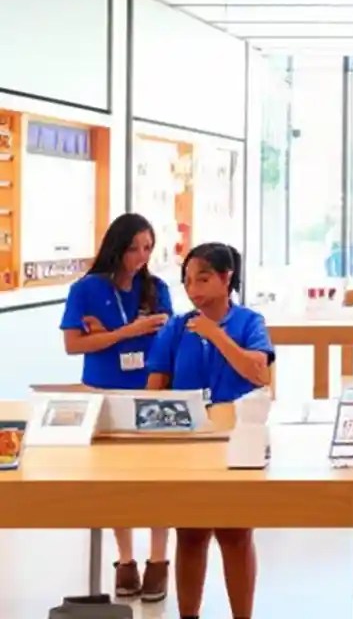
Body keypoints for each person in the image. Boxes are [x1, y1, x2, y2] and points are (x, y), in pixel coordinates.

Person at [146, 243, 274, 619]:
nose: (193, 289)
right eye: (187, 280)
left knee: (235, 535)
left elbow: (257, 371)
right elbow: (155, 385)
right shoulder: (175, 326)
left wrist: (214, 334)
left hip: (237, 442)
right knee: (189, 533)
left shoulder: (249, 322)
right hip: (185, 442)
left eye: (203, 278)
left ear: (226, 278)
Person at [59, 212, 173, 602]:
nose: (141, 256)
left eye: (147, 248)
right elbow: (74, 344)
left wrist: (106, 336)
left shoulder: (156, 288)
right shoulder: (86, 290)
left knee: (159, 479)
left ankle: (159, 561)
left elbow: (168, 339)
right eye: (133, 248)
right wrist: (128, 332)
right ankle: (126, 561)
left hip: (151, 391)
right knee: (114, 479)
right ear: (116, 247)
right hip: (102, 392)